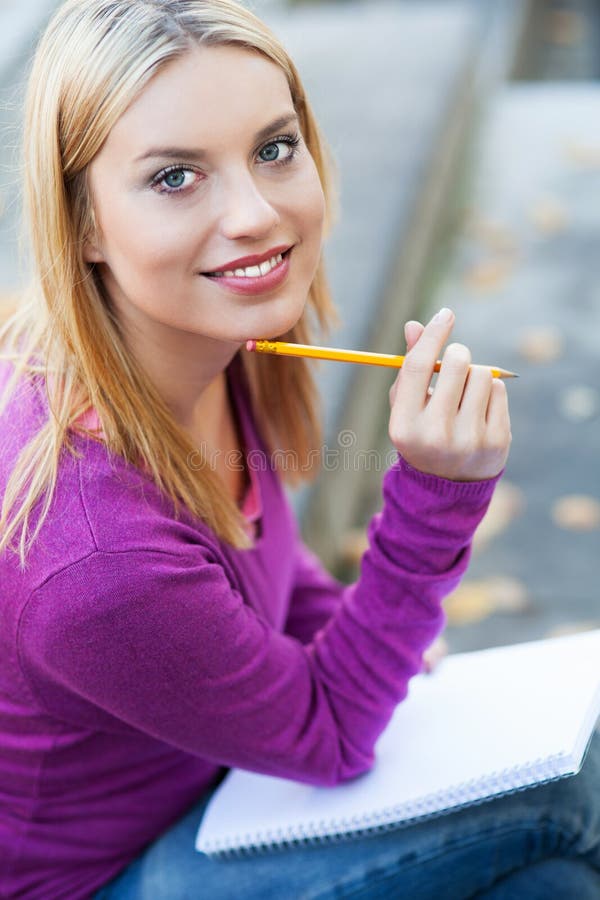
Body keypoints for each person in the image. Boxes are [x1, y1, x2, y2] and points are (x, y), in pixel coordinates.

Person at [0, 1, 597, 898]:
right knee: (570, 790)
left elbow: (268, 573)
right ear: (82, 221)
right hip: (96, 877)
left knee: (544, 886)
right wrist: (434, 500)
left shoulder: (207, 340)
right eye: (175, 178)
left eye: (275, 148)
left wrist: (346, 630)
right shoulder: (97, 561)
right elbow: (327, 734)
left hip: (215, 778)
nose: (254, 215)